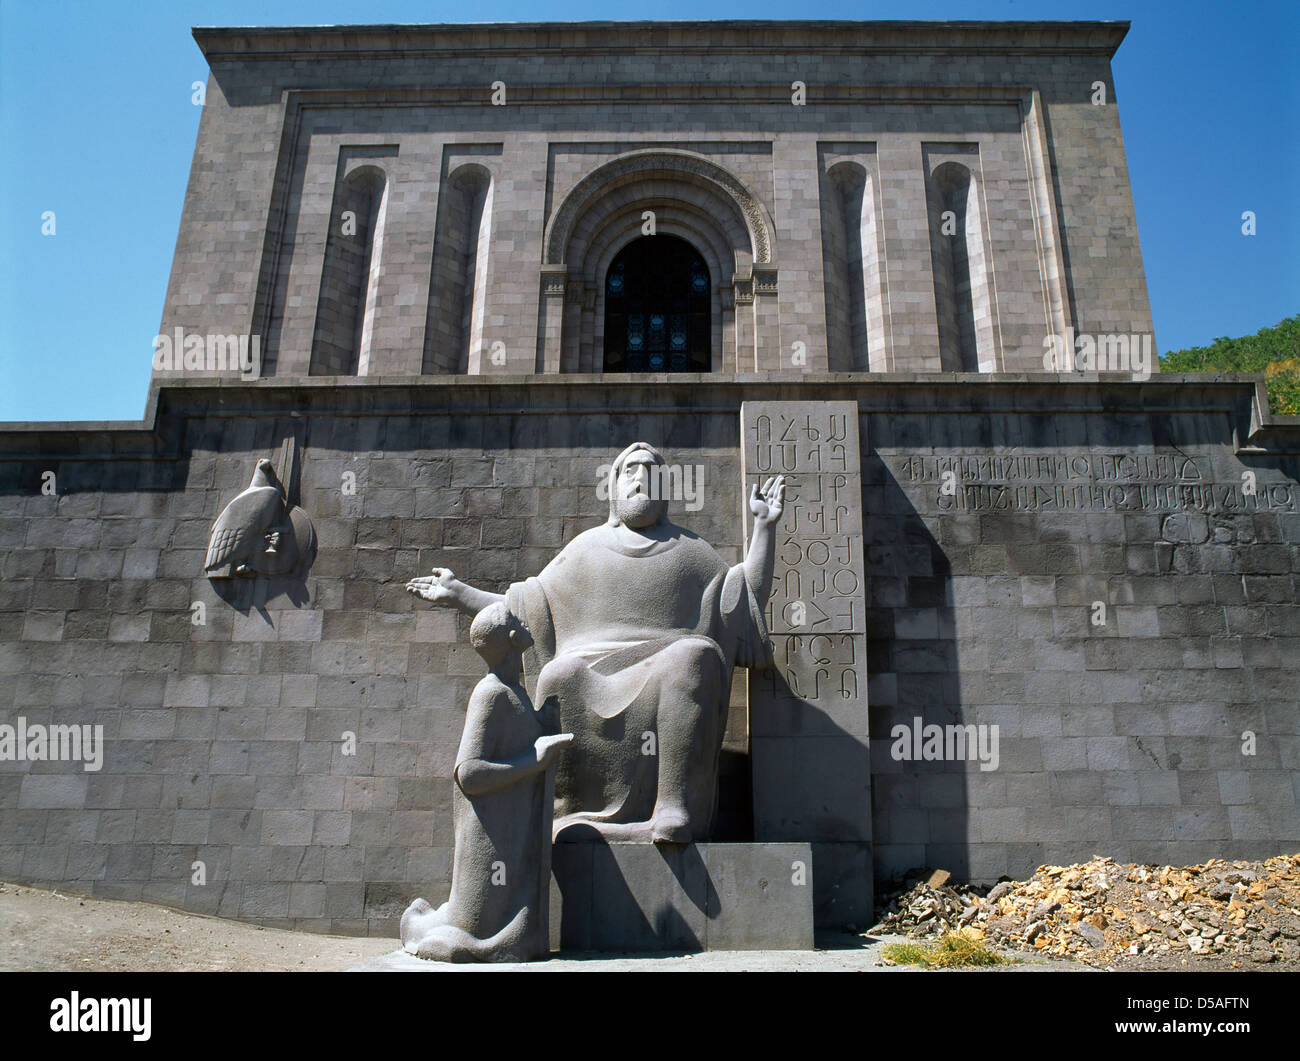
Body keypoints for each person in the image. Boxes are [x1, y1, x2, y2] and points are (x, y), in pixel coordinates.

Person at [408, 441, 783, 845]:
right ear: (614, 488)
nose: (640, 479)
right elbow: (525, 610)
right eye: (629, 472)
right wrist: (458, 592)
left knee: (695, 656)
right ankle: (569, 814)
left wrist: (763, 528)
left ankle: (673, 810)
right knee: (560, 672)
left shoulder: (692, 553)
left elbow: (742, 602)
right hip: (588, 675)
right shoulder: (586, 549)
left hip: (666, 674)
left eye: (650, 472)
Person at [398, 601, 571, 962]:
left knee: (508, 916)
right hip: (491, 841)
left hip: (513, 833)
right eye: (516, 620)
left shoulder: (515, 692)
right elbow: (469, 773)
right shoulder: (490, 693)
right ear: (512, 638)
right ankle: (433, 931)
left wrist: (544, 721)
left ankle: (436, 925)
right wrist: (532, 761)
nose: (524, 621)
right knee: (482, 922)